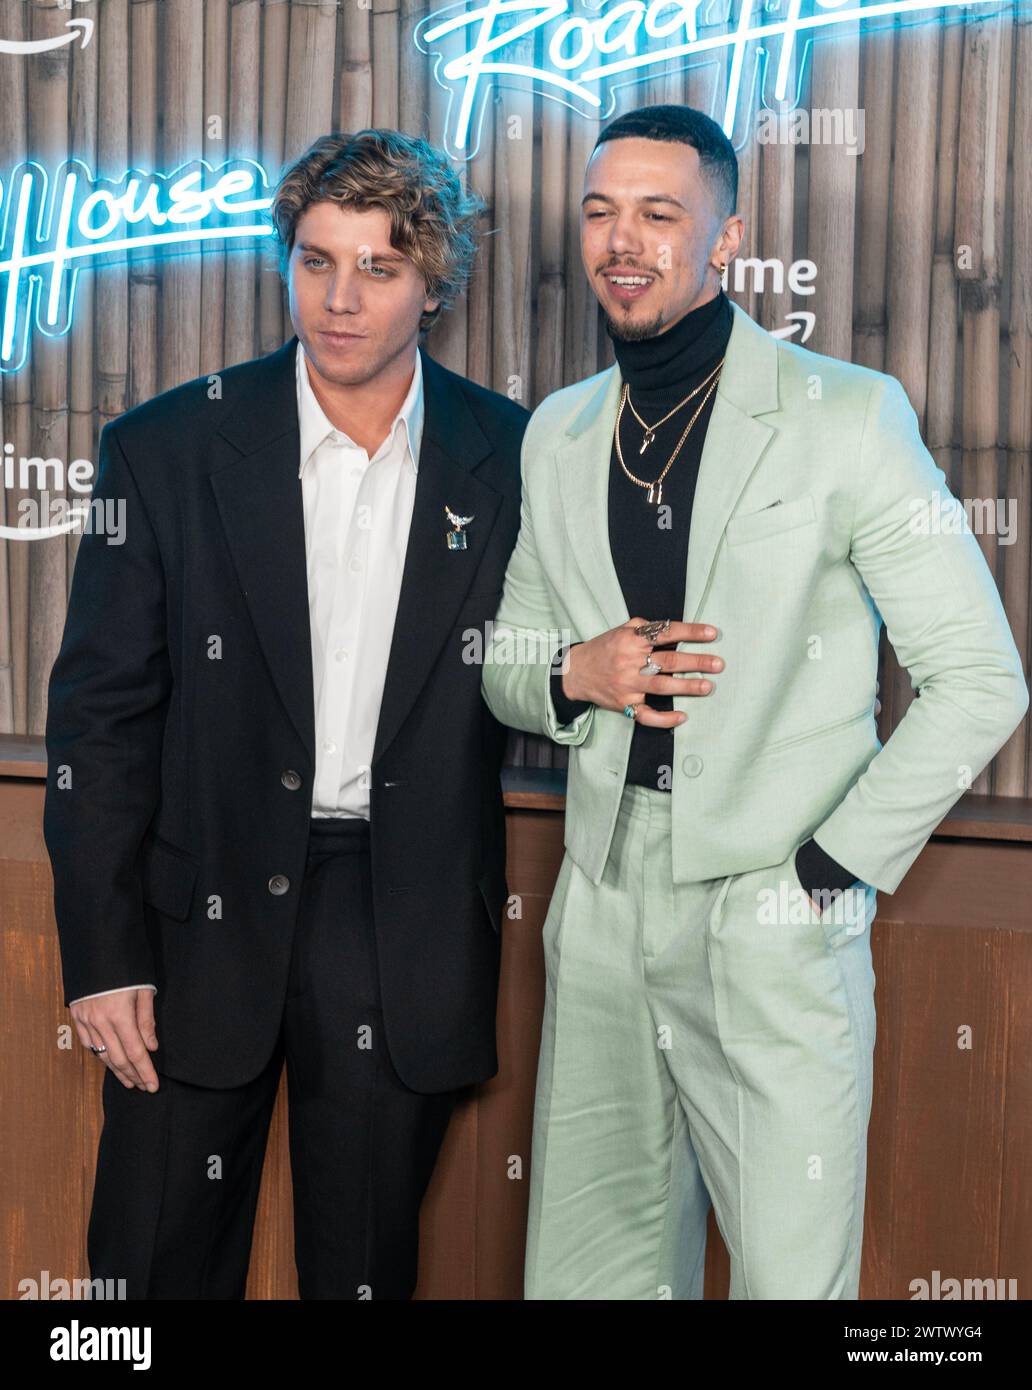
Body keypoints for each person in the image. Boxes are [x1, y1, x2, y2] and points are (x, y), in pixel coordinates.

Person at [481, 104, 1029, 1299]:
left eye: (660, 214)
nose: (624, 241)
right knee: (589, 1283)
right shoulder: (559, 433)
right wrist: (583, 671)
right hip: (605, 900)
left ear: (726, 238)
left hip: (775, 906)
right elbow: (507, 657)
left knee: (792, 1283)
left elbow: (983, 676)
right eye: (601, 212)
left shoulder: (848, 413)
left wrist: (828, 871)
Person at [43, 128, 528, 1299]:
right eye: (316, 261)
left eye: (378, 267)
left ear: (435, 284)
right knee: (141, 1277)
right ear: (286, 264)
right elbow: (98, 719)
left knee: (362, 1271)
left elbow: (542, 671)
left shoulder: (514, 456)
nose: (340, 298)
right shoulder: (162, 447)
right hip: (194, 913)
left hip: (396, 913)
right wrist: (104, 957)